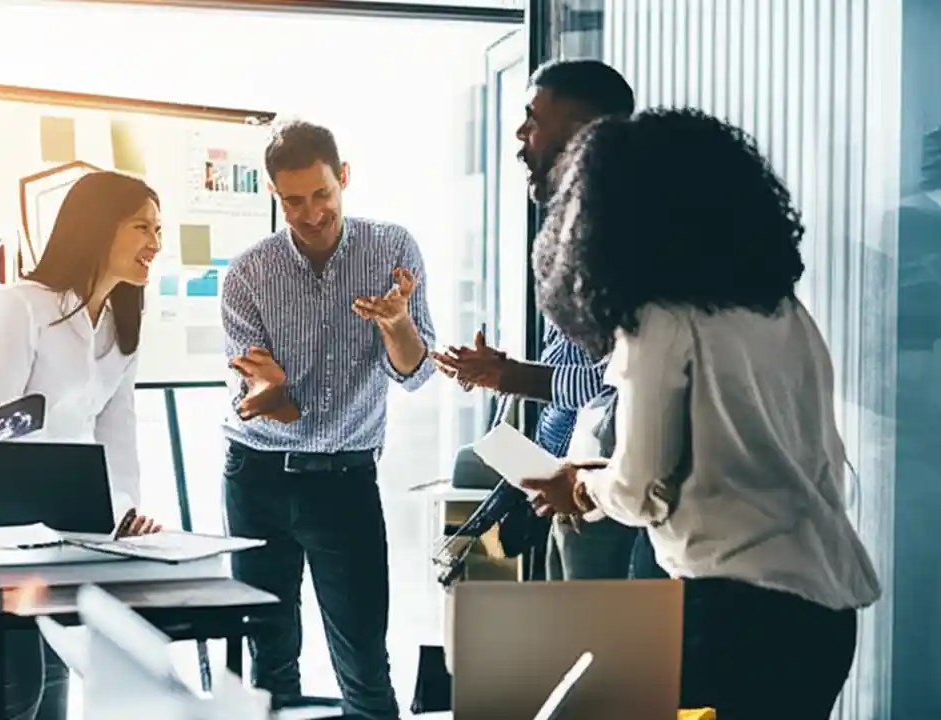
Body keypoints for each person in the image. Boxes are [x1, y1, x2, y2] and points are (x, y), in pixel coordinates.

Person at [519, 108, 882, 717]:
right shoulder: (781, 312)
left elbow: (639, 494)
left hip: (733, 617)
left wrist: (579, 485)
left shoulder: (658, 321)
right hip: (825, 616)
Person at [220, 119, 436, 718]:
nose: (311, 213)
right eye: (293, 200)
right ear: (273, 193)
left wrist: (397, 325)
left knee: (365, 665)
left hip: (345, 482)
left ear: (343, 179)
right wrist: (267, 389)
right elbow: (260, 400)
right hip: (256, 477)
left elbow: (416, 374)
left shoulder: (391, 249)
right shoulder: (247, 273)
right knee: (270, 663)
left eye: (322, 195)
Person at [432, 59, 654, 581]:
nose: (519, 133)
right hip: (568, 475)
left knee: (597, 649)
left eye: (533, 118)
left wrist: (510, 377)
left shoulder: (618, 238)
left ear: (579, 134)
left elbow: (614, 382)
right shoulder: (579, 228)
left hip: (600, 487)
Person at [0, 170, 164, 720]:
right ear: (98, 228)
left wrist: (124, 514)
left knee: (55, 688)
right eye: (142, 227)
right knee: (18, 687)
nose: (155, 244)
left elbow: (118, 428)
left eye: (158, 230)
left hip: (76, 533)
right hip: (3, 533)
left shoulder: (122, 324)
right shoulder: (19, 308)